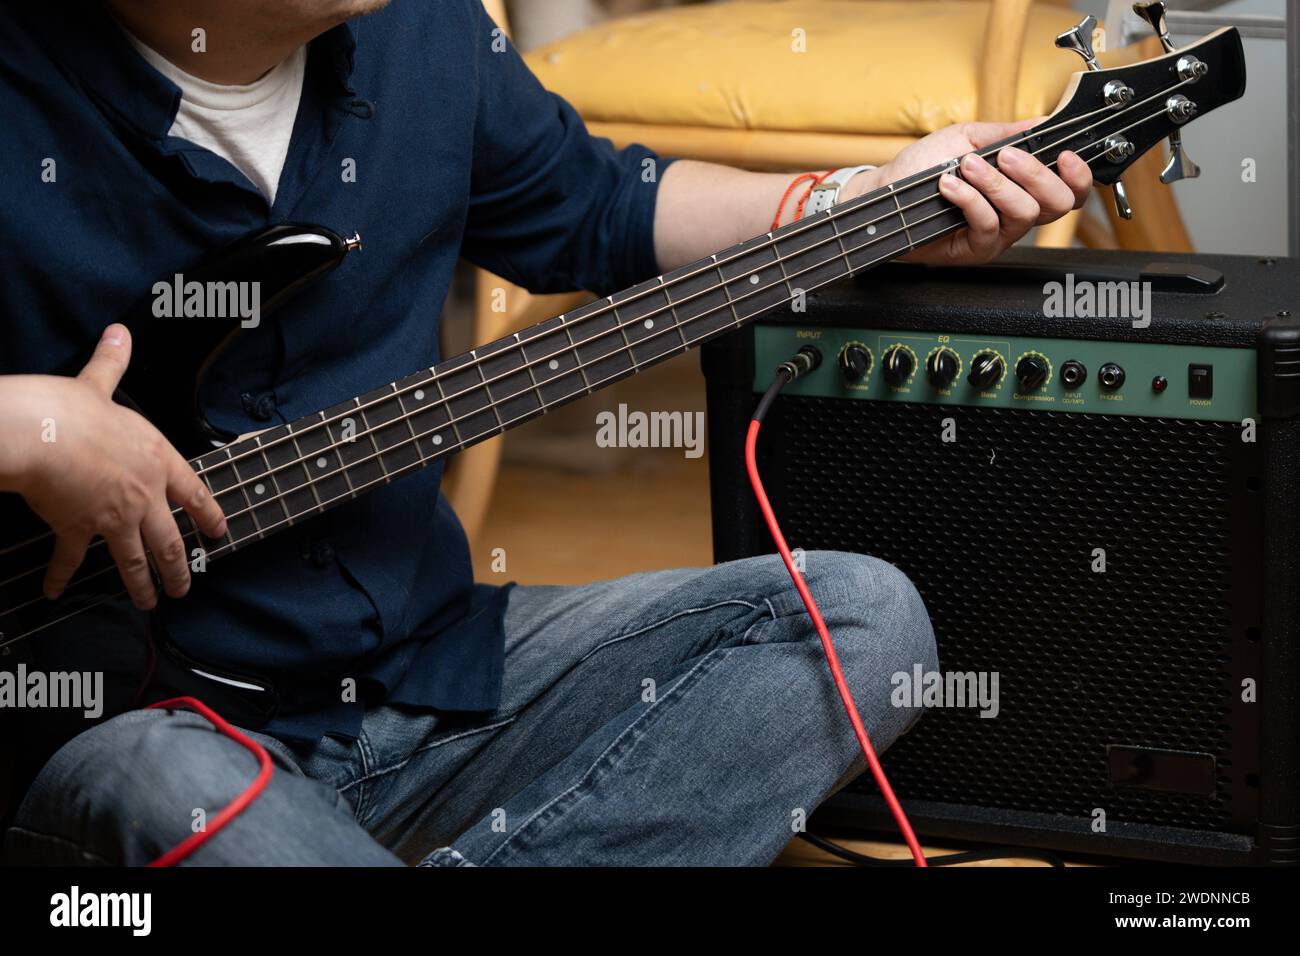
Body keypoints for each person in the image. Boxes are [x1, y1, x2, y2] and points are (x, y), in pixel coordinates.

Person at [0, 0, 1091, 865]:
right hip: (139, 734)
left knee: (858, 623)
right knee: (160, 789)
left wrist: (857, 199)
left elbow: (603, 208)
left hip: (429, 681)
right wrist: (27, 423)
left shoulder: (421, 31)